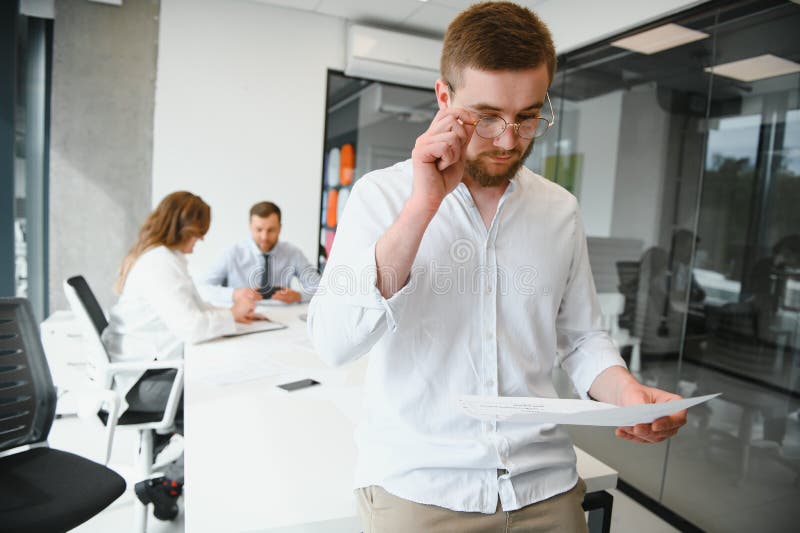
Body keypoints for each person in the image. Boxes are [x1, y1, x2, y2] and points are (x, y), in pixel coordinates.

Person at [307, 3, 687, 531]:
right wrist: (422, 208)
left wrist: (626, 393)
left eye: (528, 116)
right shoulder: (381, 197)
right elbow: (335, 341)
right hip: (422, 491)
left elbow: (579, 338)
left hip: (546, 488)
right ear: (444, 98)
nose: (509, 139)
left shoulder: (559, 210)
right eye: (486, 117)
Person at [103, 191, 260, 521]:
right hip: (141, 383)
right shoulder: (159, 263)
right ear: (180, 228)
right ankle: (173, 484)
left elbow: (193, 310)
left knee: (224, 403)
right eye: (197, 233)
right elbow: (190, 326)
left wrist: (231, 313)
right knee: (223, 414)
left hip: (146, 369)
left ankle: (172, 479)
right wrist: (231, 316)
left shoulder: (163, 258)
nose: (200, 240)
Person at [199, 201, 321, 305]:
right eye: (259, 230)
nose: (264, 237)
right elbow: (202, 288)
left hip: (283, 316)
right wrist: (234, 294)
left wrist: (298, 296)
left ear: (280, 228)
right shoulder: (232, 253)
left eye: (271, 230)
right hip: (243, 314)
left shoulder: (293, 253)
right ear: (250, 227)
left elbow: (320, 288)